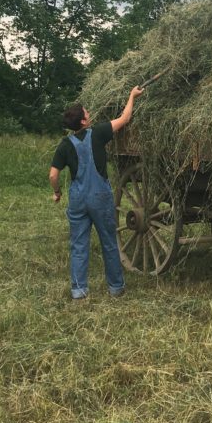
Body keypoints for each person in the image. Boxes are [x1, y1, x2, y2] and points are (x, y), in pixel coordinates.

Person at [49, 86, 144, 300]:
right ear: (83, 121)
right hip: (100, 197)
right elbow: (125, 118)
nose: (89, 113)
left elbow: (53, 175)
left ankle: (79, 291)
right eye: (87, 112)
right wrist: (132, 96)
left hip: (78, 200)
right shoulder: (98, 133)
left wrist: (57, 193)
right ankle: (116, 288)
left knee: (79, 245)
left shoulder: (65, 145)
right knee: (109, 241)